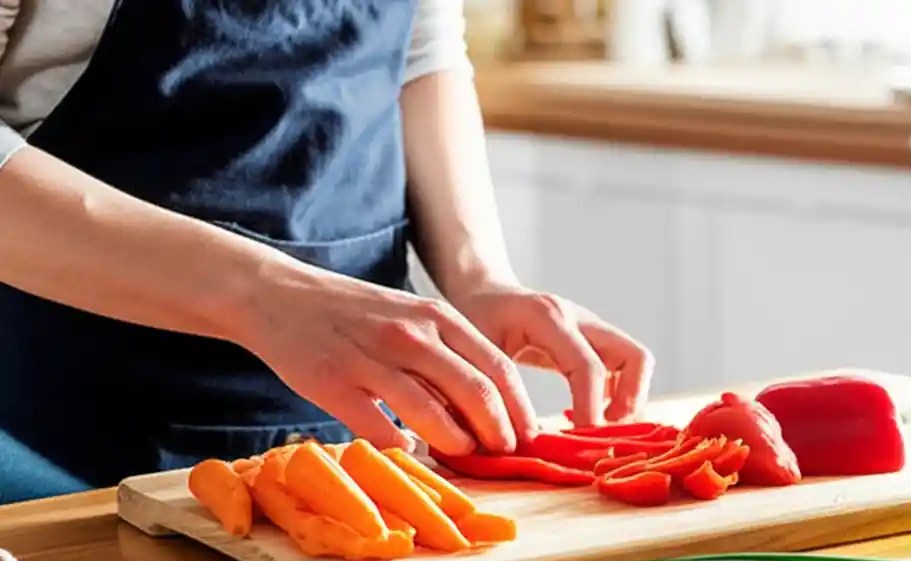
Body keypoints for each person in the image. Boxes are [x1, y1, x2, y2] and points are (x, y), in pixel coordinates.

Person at [0, 0, 654, 504]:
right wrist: (264, 296)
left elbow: (423, 50)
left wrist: (476, 274)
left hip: (361, 429)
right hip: (64, 432)